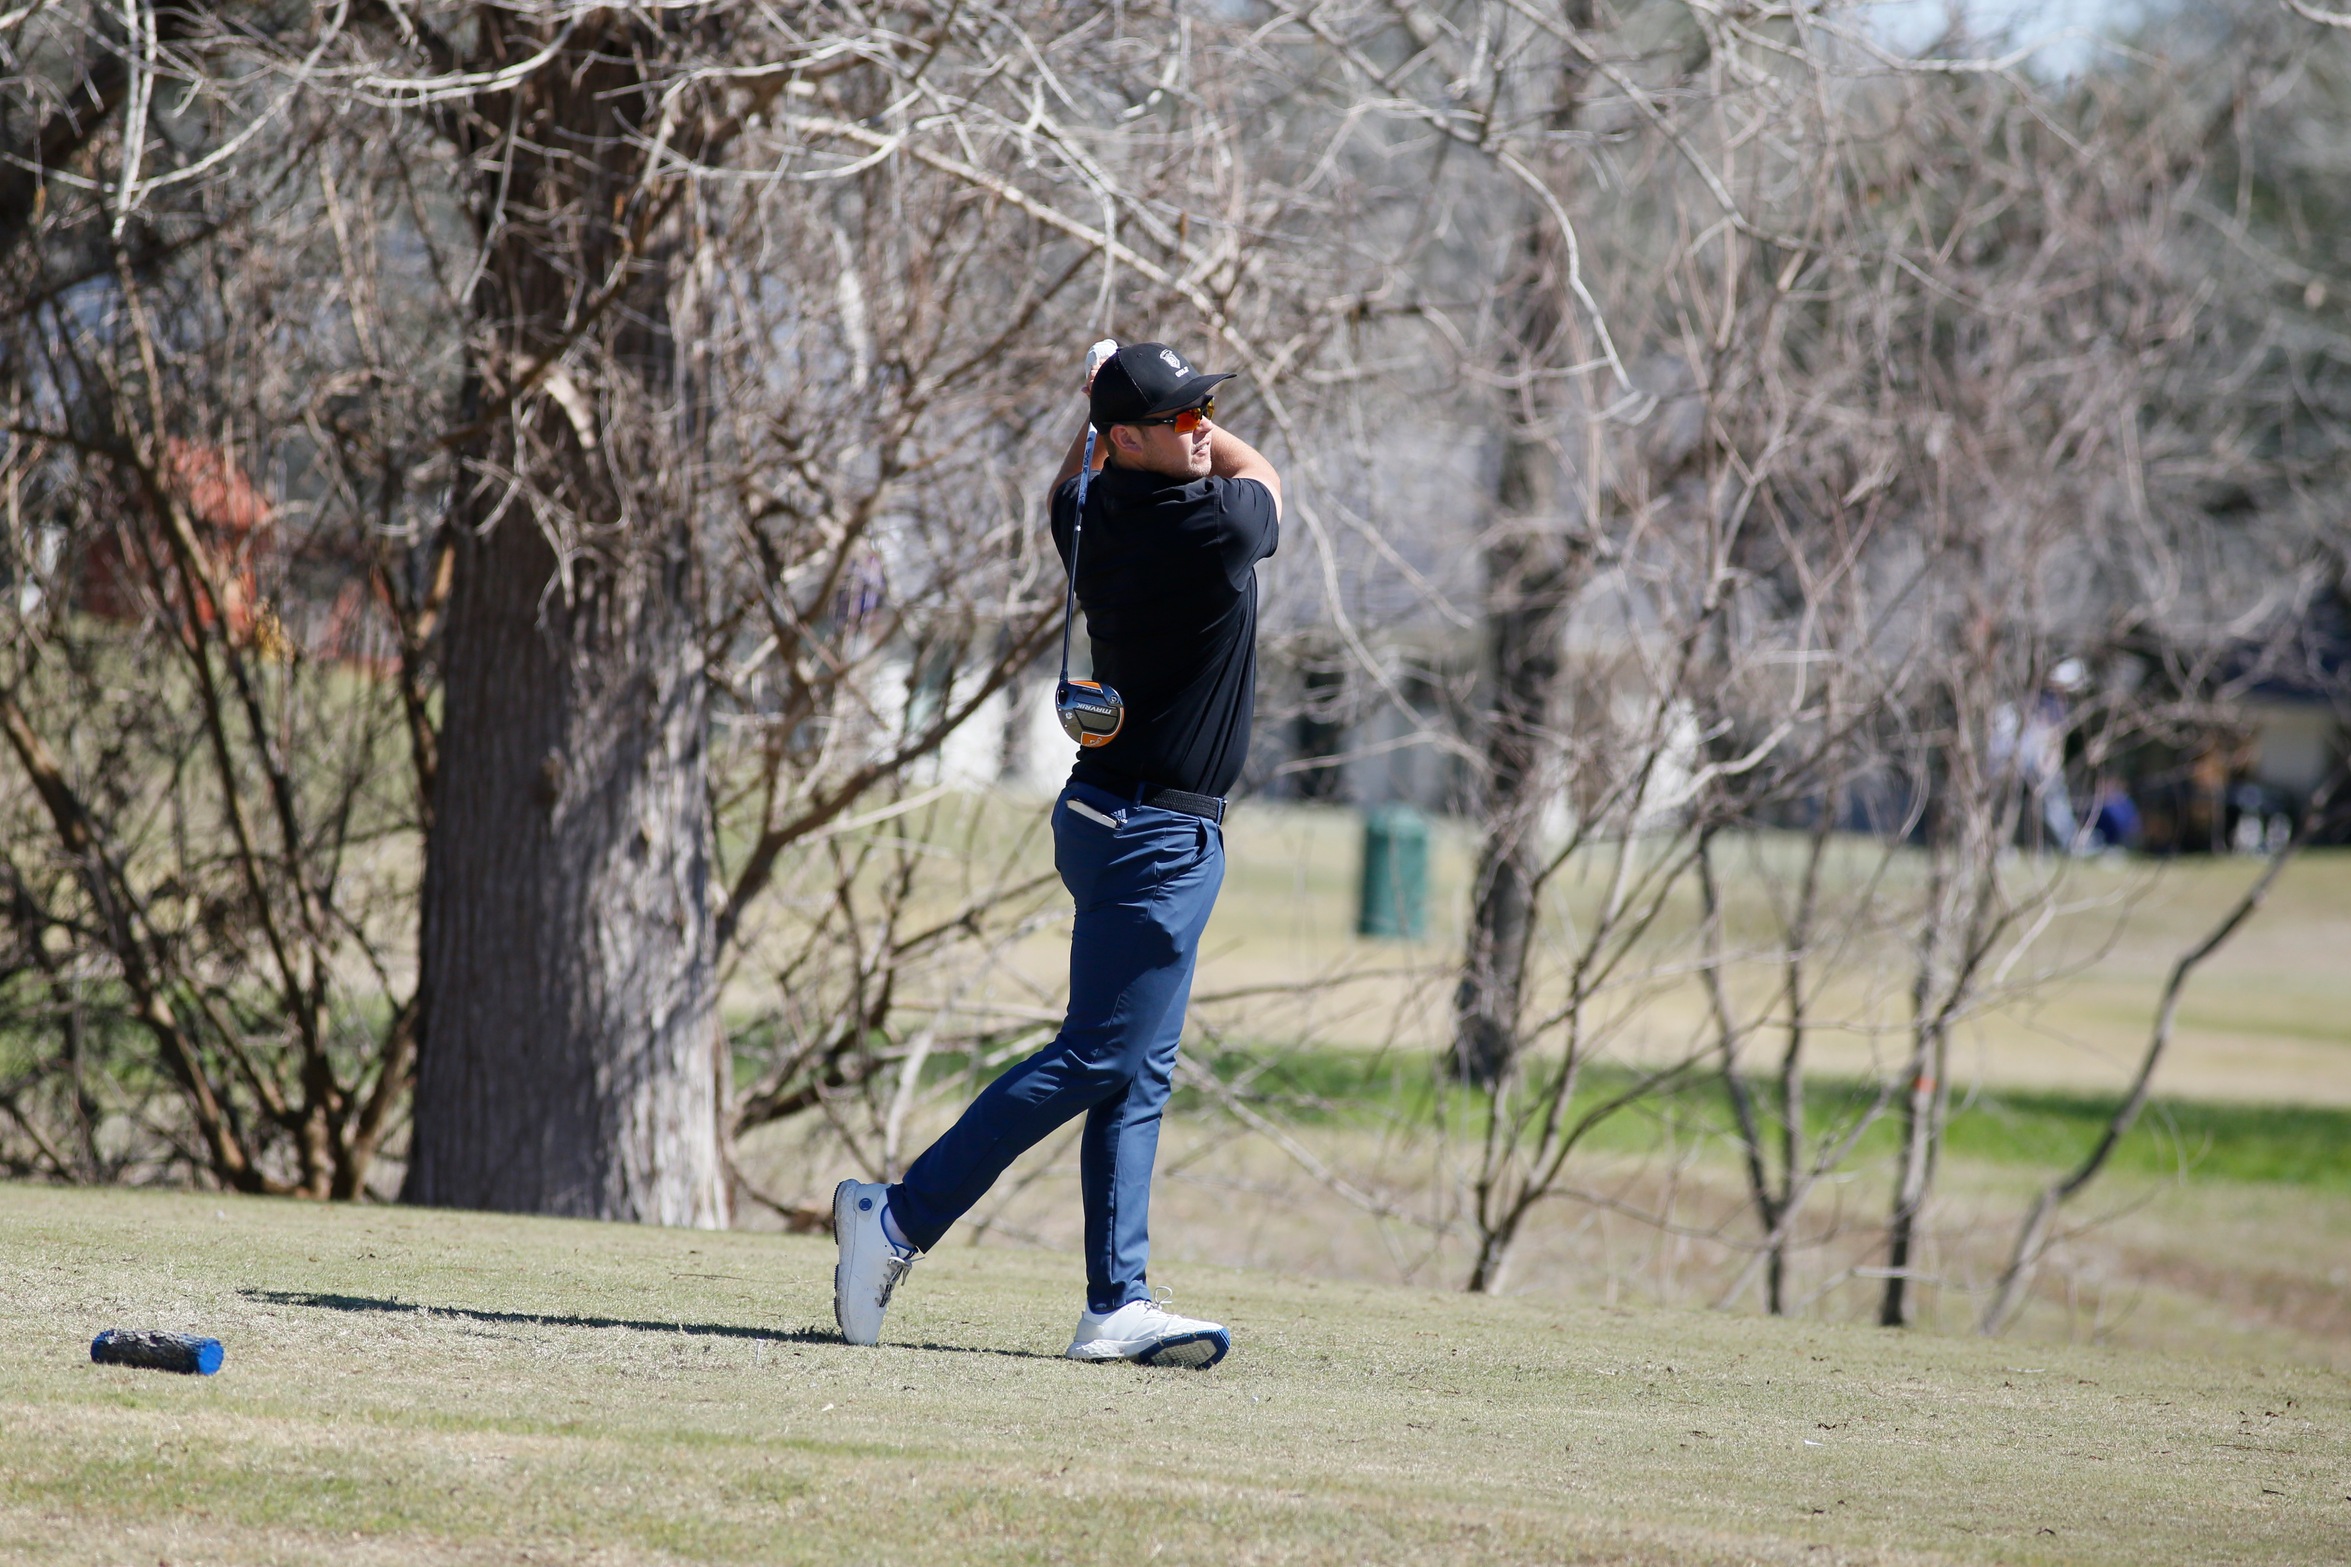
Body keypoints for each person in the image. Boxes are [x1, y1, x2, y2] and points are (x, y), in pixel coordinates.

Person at [831, 341, 1282, 1368]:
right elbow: (1266, 478)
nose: (1202, 423)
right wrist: (1122, 411)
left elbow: (1067, 476)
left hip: (1102, 821)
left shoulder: (1082, 511)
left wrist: (1107, 414)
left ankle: (1114, 1305)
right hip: (1156, 836)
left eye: (1205, 406)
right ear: (1124, 435)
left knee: (1137, 1069)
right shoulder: (1213, 525)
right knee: (1098, 1055)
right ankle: (896, 1216)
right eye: (1178, 415)